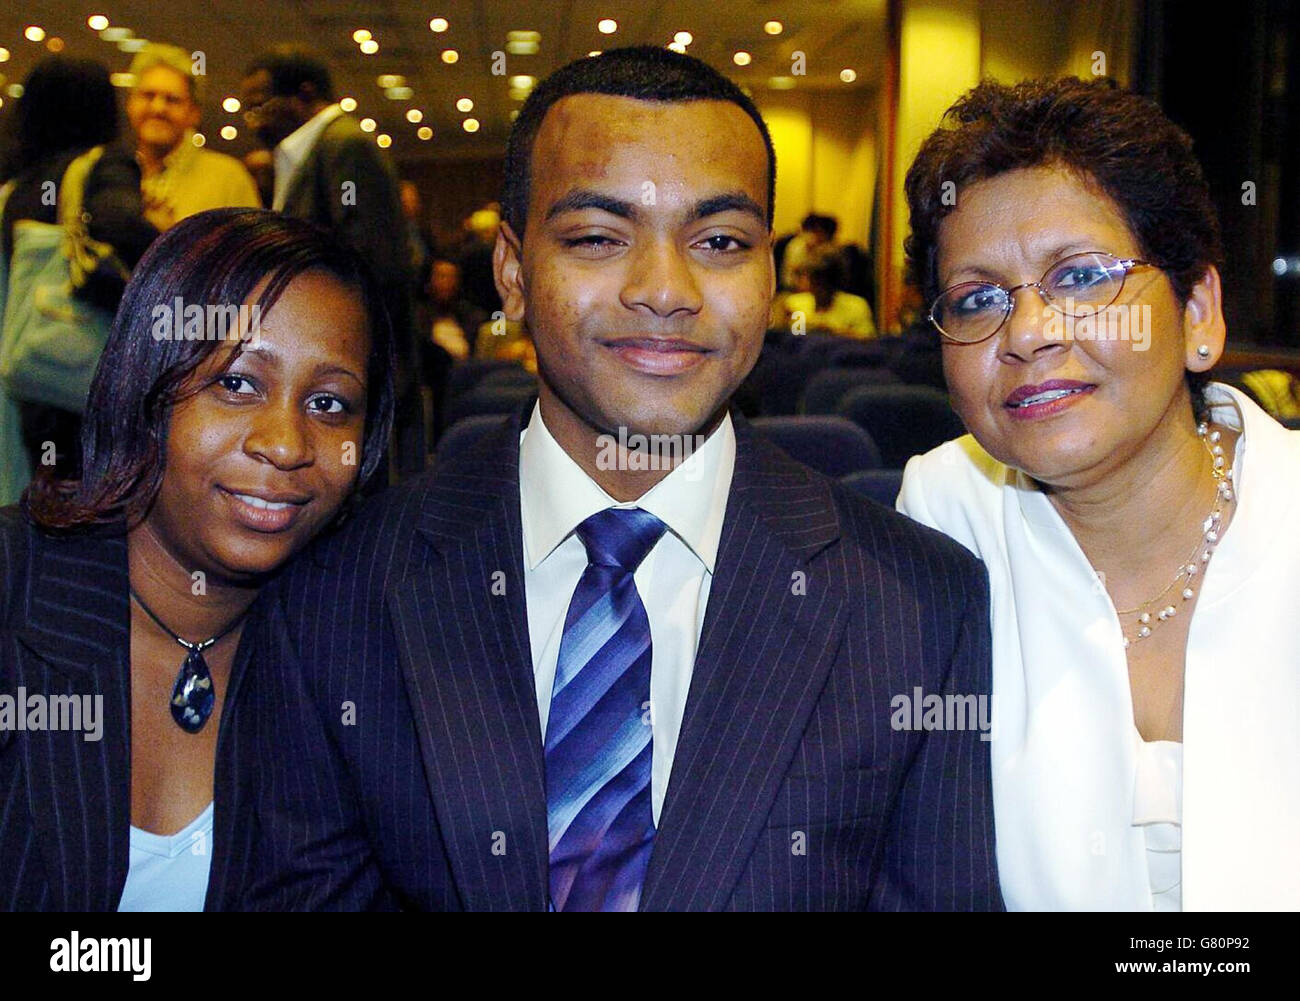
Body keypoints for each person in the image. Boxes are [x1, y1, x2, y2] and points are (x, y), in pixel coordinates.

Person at [220, 46, 1001, 912]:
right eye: (598, 237)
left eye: (719, 241)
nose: (665, 289)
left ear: (770, 274)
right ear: (513, 275)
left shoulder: (920, 603)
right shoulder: (334, 594)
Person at [896, 77, 1300, 910]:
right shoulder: (943, 525)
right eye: (977, 298)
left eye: (1080, 278)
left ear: (1196, 313)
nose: (1029, 332)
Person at [0, 208, 396, 911]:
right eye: (238, 383)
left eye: (330, 402)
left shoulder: (364, 653)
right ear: (145, 387)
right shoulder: (15, 589)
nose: (285, 443)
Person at [239, 45, 422, 476]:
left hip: (357, 358)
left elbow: (373, 264)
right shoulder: (310, 150)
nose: (253, 119)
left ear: (305, 94)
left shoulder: (344, 145)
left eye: (261, 104)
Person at [0, 56, 158, 487]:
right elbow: (117, 223)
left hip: (31, 372)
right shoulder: (102, 164)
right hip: (84, 376)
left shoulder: (16, 183)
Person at [126, 44, 260, 229]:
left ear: (194, 113)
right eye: (148, 96)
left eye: (172, 100)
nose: (158, 108)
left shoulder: (228, 179)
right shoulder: (107, 173)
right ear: (130, 104)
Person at [774, 246, 876, 338]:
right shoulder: (796, 304)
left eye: (822, 283)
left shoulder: (856, 306)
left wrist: (832, 331)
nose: (817, 288)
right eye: (813, 281)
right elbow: (796, 337)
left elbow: (867, 340)